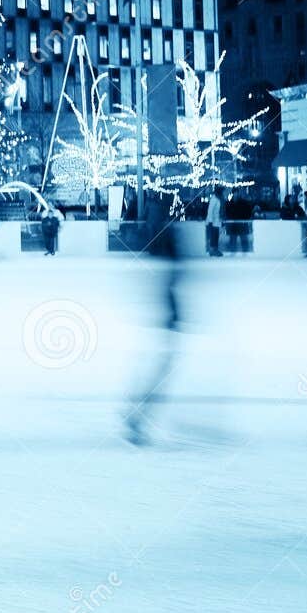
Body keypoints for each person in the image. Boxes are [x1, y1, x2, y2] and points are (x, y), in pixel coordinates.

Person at [124, 192, 182, 447]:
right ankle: (138, 416)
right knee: (158, 369)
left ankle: (137, 414)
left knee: (154, 367)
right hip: (162, 318)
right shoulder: (165, 238)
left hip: (158, 317)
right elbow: (173, 277)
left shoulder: (152, 239)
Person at [205, 188, 225, 257]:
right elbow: (210, 211)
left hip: (217, 221)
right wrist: (210, 222)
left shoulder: (219, 199)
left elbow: (220, 211)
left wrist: (221, 221)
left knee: (216, 236)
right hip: (213, 222)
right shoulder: (214, 199)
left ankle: (215, 249)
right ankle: (212, 250)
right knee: (213, 236)